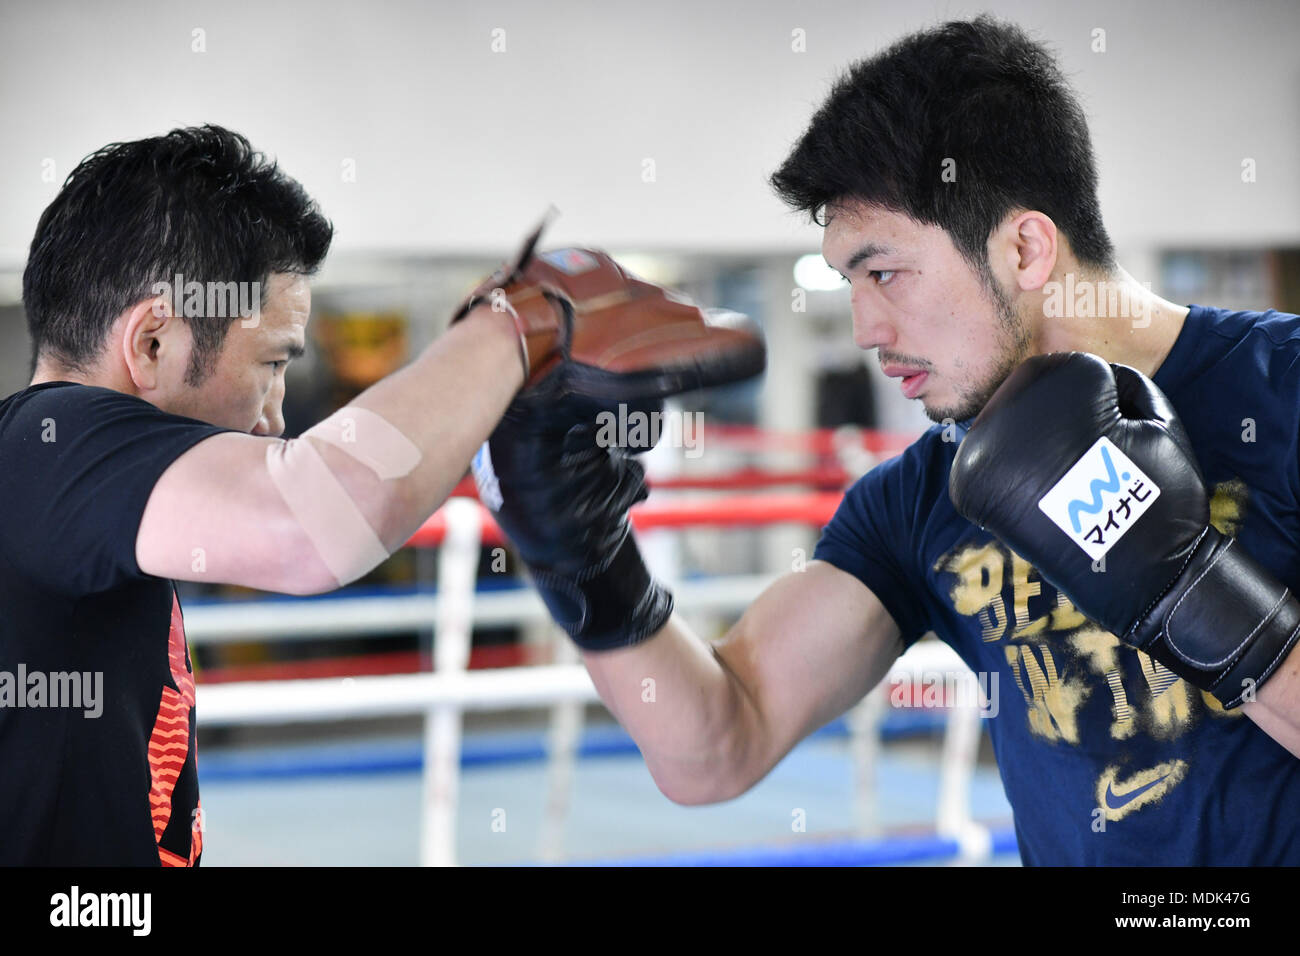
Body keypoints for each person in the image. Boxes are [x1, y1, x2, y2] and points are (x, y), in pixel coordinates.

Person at [475, 16, 1300, 865]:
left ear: (1025, 247)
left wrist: (1188, 588)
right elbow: (719, 745)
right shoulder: (920, 496)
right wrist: (578, 547)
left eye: (885, 272)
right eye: (849, 283)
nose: (866, 327)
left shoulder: (1286, 388)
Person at [0, 125, 761, 865]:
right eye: (270, 363)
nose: (275, 414)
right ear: (152, 343)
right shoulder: (48, 440)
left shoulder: (65, 483)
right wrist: (523, 323)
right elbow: (307, 523)